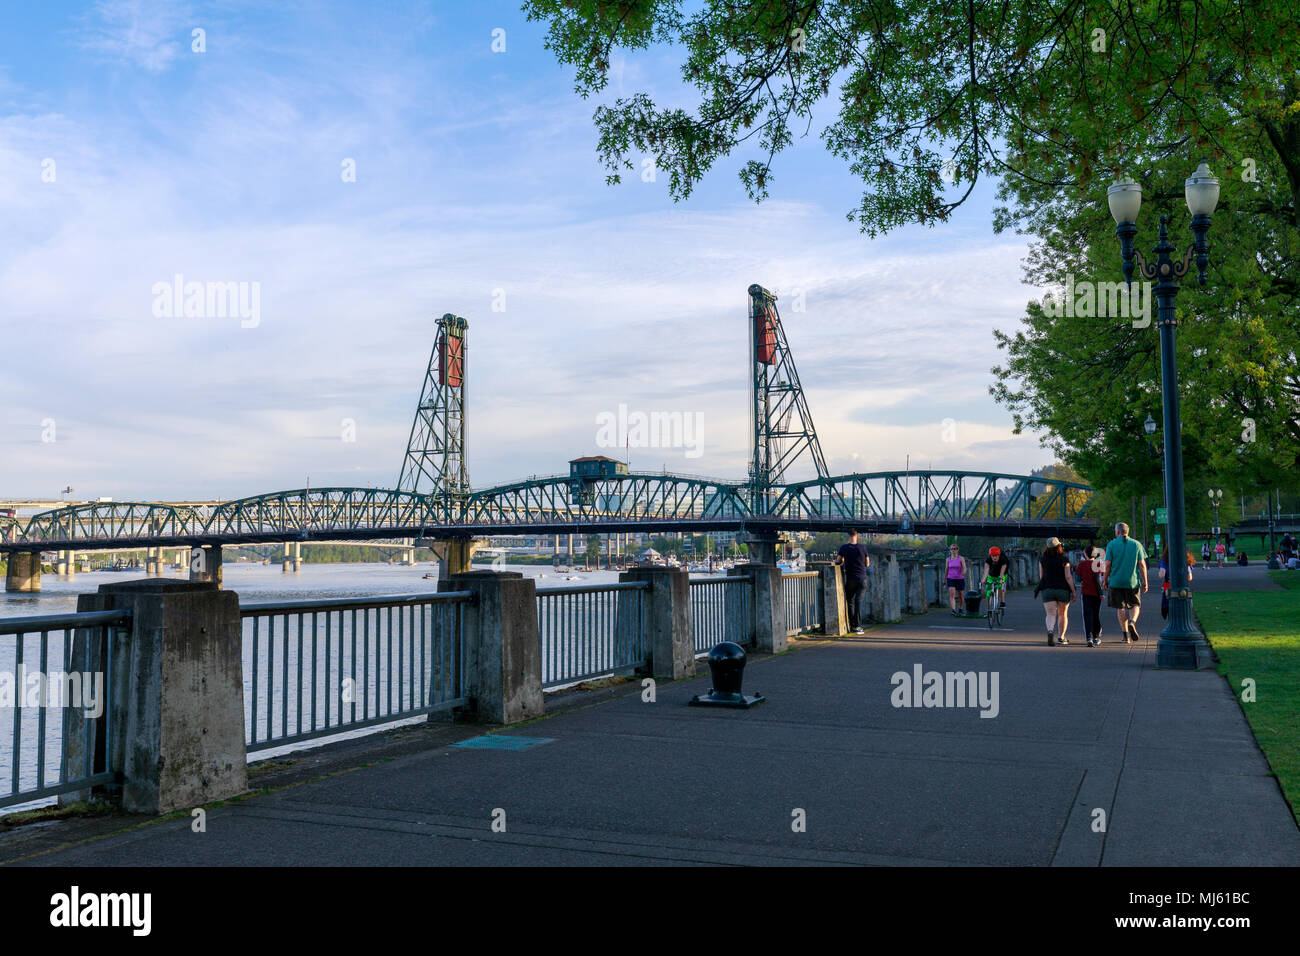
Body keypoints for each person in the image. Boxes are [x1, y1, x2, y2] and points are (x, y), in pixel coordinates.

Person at [1102, 522, 1149, 643]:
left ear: (1117, 532)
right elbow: (1142, 565)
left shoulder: (1111, 545)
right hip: (1132, 582)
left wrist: (1105, 580)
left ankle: (1125, 636)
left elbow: (1107, 565)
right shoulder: (1137, 544)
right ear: (1127, 532)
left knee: (1120, 608)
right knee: (1135, 605)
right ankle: (1132, 622)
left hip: (1116, 581)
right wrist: (1145, 581)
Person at [1036, 537, 1075, 645]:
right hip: (1063, 590)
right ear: (1059, 546)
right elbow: (1068, 577)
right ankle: (1061, 638)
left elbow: (1041, 577)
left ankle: (1050, 631)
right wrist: (1073, 591)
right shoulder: (1064, 559)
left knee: (1050, 614)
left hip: (1048, 589)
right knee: (1062, 614)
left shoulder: (1042, 559)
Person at [835, 530, 871, 633]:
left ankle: (851, 625)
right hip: (862, 579)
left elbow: (838, 561)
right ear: (857, 536)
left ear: (848, 536)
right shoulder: (863, 548)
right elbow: (867, 563)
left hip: (851, 579)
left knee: (850, 601)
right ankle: (858, 626)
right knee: (858, 601)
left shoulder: (844, 548)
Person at [1074, 546, 1104, 646]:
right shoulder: (1098, 563)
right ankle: (1096, 637)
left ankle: (1088, 637)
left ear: (1085, 554)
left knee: (1087, 615)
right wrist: (1101, 593)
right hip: (1096, 594)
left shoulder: (1081, 564)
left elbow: (1078, 579)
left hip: (1086, 593)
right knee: (1096, 614)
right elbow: (1099, 579)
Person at [1158, 545, 1195, 619]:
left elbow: (1162, 575)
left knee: (1168, 606)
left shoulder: (1165, 560)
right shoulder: (1185, 559)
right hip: (1182, 586)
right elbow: (1189, 577)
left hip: (1168, 585)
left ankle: (1170, 620)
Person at [944, 544, 968, 615]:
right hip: (950, 578)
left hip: (960, 578)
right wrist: (944, 579)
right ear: (950, 550)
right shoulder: (948, 559)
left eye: (955, 549)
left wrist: (964, 572)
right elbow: (946, 569)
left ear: (957, 550)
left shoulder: (961, 558)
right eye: (952, 549)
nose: (953, 550)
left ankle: (960, 608)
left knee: (961, 595)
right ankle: (953, 610)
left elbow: (964, 567)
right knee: (952, 595)